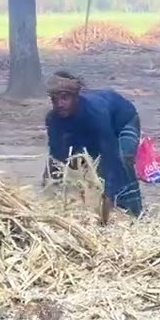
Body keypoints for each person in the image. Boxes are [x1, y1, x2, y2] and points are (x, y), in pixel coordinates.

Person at [44, 71, 143, 218]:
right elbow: (56, 155)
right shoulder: (53, 119)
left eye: (65, 98)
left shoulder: (96, 113)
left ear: (76, 97)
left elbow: (110, 155)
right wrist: (49, 186)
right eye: (54, 100)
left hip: (123, 122)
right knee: (85, 166)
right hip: (92, 131)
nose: (59, 104)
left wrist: (108, 194)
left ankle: (134, 210)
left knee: (122, 159)